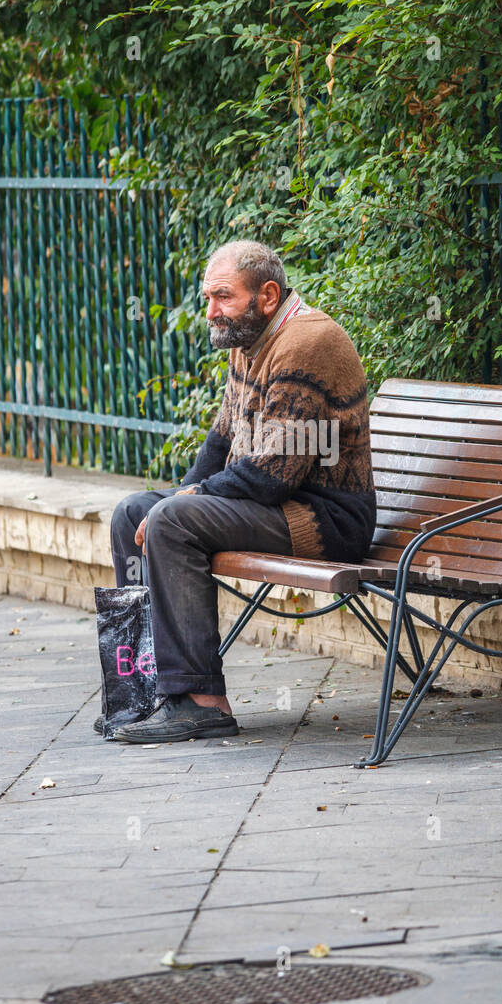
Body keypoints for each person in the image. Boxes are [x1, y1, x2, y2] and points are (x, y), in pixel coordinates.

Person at [107, 238, 376, 743]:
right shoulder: (249, 343)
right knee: (133, 513)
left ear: (267, 295)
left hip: (324, 518)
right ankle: (139, 689)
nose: (211, 311)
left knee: (171, 519)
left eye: (223, 296)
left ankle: (202, 701)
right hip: (272, 503)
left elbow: (274, 474)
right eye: (208, 297)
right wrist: (183, 492)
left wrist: (186, 501)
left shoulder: (307, 344)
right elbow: (222, 439)